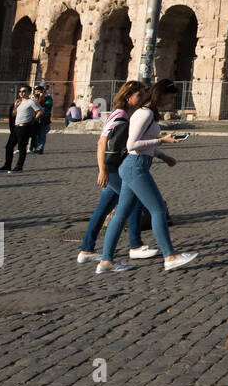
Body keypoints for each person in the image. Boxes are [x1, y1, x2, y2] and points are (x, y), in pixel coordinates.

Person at [96, 78, 197, 274]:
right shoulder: (145, 113)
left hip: (136, 165)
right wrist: (162, 140)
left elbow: (144, 143)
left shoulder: (145, 112)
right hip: (135, 167)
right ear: (161, 94)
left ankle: (106, 261)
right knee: (158, 209)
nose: (171, 101)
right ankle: (170, 256)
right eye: (171, 96)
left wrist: (163, 156)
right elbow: (132, 145)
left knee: (121, 214)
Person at [77, 81, 155, 264]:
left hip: (115, 168)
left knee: (103, 208)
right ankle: (135, 246)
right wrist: (102, 170)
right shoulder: (120, 115)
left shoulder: (128, 115)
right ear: (129, 97)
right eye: (140, 94)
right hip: (112, 169)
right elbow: (102, 142)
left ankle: (86, 250)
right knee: (134, 201)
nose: (143, 97)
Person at [0, 85, 40, 173]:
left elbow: (40, 111)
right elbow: (13, 114)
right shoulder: (19, 102)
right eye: (20, 91)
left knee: (21, 147)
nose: (21, 93)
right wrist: (15, 106)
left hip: (25, 126)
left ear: (29, 92)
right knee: (9, 146)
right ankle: (7, 165)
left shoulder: (31, 102)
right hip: (16, 126)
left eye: (24, 91)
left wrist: (33, 119)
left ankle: (19, 166)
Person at [31, 84, 54, 153]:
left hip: (44, 118)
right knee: (34, 134)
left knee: (42, 134)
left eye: (39, 91)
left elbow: (45, 105)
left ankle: (40, 148)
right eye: (36, 92)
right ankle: (35, 147)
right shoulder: (33, 98)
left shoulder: (48, 98)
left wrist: (41, 98)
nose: (37, 93)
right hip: (35, 118)